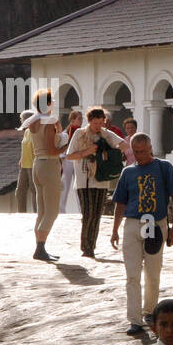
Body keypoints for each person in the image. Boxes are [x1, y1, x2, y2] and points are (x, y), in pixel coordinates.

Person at [110, 133, 173, 336]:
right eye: (136, 152)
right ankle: (134, 319)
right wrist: (114, 229)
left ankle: (149, 311)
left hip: (155, 223)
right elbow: (120, 202)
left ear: (151, 148)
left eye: (143, 151)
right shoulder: (128, 172)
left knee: (153, 271)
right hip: (133, 223)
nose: (140, 155)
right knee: (132, 275)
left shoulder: (164, 167)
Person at [67, 106, 126, 259]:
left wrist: (111, 151)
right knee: (88, 214)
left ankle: (91, 245)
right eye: (96, 123)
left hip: (101, 179)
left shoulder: (106, 134)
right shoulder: (80, 134)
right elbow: (69, 155)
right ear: (90, 121)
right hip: (83, 179)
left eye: (101, 123)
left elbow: (123, 145)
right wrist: (88, 152)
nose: (98, 127)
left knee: (97, 214)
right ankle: (86, 246)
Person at [27, 92, 68, 262]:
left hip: (37, 164)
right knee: (51, 212)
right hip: (49, 164)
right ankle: (40, 248)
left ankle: (40, 246)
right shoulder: (48, 122)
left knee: (42, 210)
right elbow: (52, 150)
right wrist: (64, 147)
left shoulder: (33, 121)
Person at [60, 108, 83, 214]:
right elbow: (62, 147)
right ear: (72, 120)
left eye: (81, 118)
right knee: (66, 184)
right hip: (68, 160)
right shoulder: (66, 133)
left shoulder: (82, 132)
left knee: (79, 185)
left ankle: (81, 209)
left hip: (78, 160)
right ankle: (61, 210)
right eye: (79, 118)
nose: (81, 120)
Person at [16, 124, 36, 212]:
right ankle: (21, 212)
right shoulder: (26, 132)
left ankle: (37, 212)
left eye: (22, 120)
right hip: (24, 164)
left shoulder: (36, 131)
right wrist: (21, 158)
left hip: (33, 164)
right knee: (20, 190)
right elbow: (24, 147)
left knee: (34, 189)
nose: (21, 122)